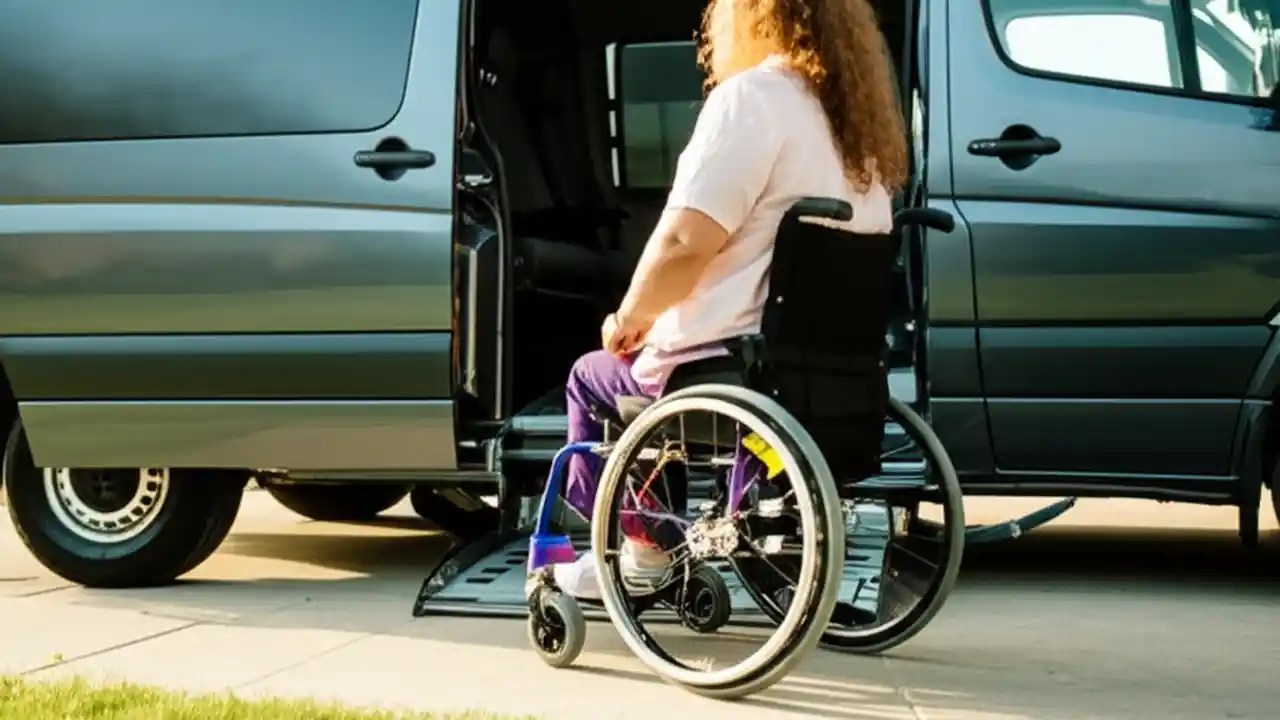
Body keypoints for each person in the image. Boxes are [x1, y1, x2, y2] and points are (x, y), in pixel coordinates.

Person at [555, 0, 909, 599]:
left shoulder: (753, 100)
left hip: (732, 362)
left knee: (593, 376)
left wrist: (631, 316)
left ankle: (642, 549)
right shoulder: (858, 128)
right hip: (827, 369)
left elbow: (687, 240)